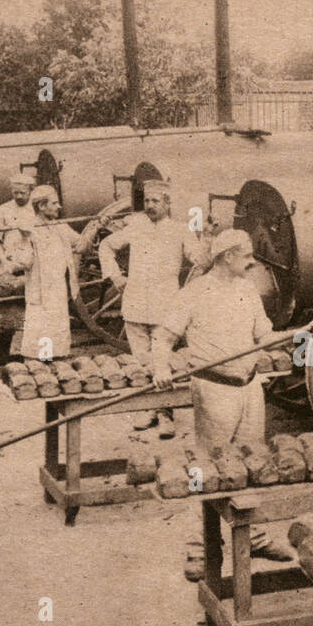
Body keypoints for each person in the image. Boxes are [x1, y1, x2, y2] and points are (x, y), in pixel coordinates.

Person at [152, 229, 277, 581]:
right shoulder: (193, 293)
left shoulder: (248, 289)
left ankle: (255, 537)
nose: (253, 261)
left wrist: (293, 337)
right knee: (207, 470)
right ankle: (199, 546)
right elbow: (162, 337)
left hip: (250, 388)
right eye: (247, 255)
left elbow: (262, 335)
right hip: (214, 391)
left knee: (252, 463)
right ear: (227, 257)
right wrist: (161, 366)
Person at [99, 180, 210, 436]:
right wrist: (115, 277)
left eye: (155, 201)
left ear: (167, 203)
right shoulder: (135, 227)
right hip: (135, 302)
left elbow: (199, 261)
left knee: (163, 360)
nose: (150, 206)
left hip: (165, 304)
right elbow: (106, 246)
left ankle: (165, 415)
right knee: (141, 359)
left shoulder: (181, 230)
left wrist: (206, 240)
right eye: (147, 201)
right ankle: (148, 409)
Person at [10, 185, 85, 360]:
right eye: (55, 203)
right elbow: (24, 262)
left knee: (58, 337)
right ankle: (39, 369)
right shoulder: (30, 230)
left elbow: (81, 244)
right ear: (42, 206)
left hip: (58, 291)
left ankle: (54, 368)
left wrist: (94, 230)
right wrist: (24, 238)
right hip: (40, 293)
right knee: (40, 337)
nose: (59, 207)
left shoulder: (61, 227)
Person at [0, 173, 36, 358]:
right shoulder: (4, 210)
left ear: (31, 190)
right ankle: (3, 359)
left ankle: (34, 358)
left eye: (23, 192)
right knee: (7, 317)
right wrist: (4, 260)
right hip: (10, 268)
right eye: (15, 192)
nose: (19, 196)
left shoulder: (37, 210)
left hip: (32, 268)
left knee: (35, 315)